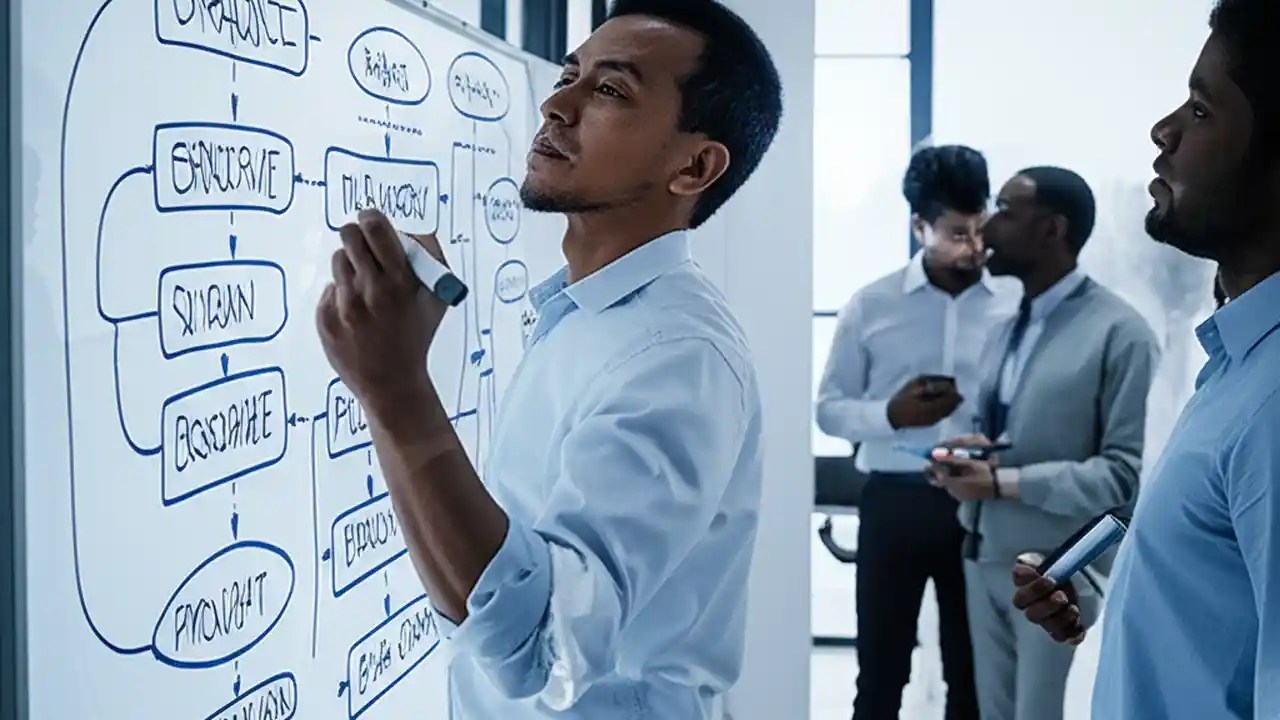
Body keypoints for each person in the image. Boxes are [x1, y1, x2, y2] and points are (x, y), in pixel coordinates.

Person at [312, 1, 782, 717]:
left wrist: (396, 390)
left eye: (610, 89)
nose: (556, 105)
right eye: (569, 75)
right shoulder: (586, 315)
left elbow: (543, 646)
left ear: (695, 166)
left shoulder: (677, 357)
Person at [1012, 1, 1280, 717]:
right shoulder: (1238, 362)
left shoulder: (1273, 398)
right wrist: (1134, 587)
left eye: (1201, 109)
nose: (1163, 131)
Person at [928, 167, 1159, 720]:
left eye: (1006, 210)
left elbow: (1121, 477)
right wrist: (973, 455)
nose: (986, 225)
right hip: (982, 556)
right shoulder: (1006, 328)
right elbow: (1017, 435)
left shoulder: (1121, 333)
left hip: (1056, 573)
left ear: (1053, 229)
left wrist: (1000, 483)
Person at [816, 144, 1011, 719]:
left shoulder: (1012, 304)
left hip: (980, 505)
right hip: (893, 505)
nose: (973, 247)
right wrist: (892, 415)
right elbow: (828, 411)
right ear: (919, 226)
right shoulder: (870, 305)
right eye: (956, 233)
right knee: (880, 676)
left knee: (971, 679)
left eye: (980, 229)